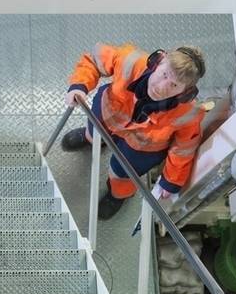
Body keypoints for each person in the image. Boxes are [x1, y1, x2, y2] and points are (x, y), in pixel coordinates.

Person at [62, 44, 209, 220]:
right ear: (156, 62)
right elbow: (94, 60)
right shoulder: (129, 60)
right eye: (164, 75)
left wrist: (171, 182)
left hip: (141, 149)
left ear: (185, 92)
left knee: (123, 173)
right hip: (107, 117)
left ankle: (117, 196)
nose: (161, 88)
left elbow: (183, 150)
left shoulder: (189, 114)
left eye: (174, 85)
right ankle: (92, 140)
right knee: (94, 132)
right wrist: (80, 84)